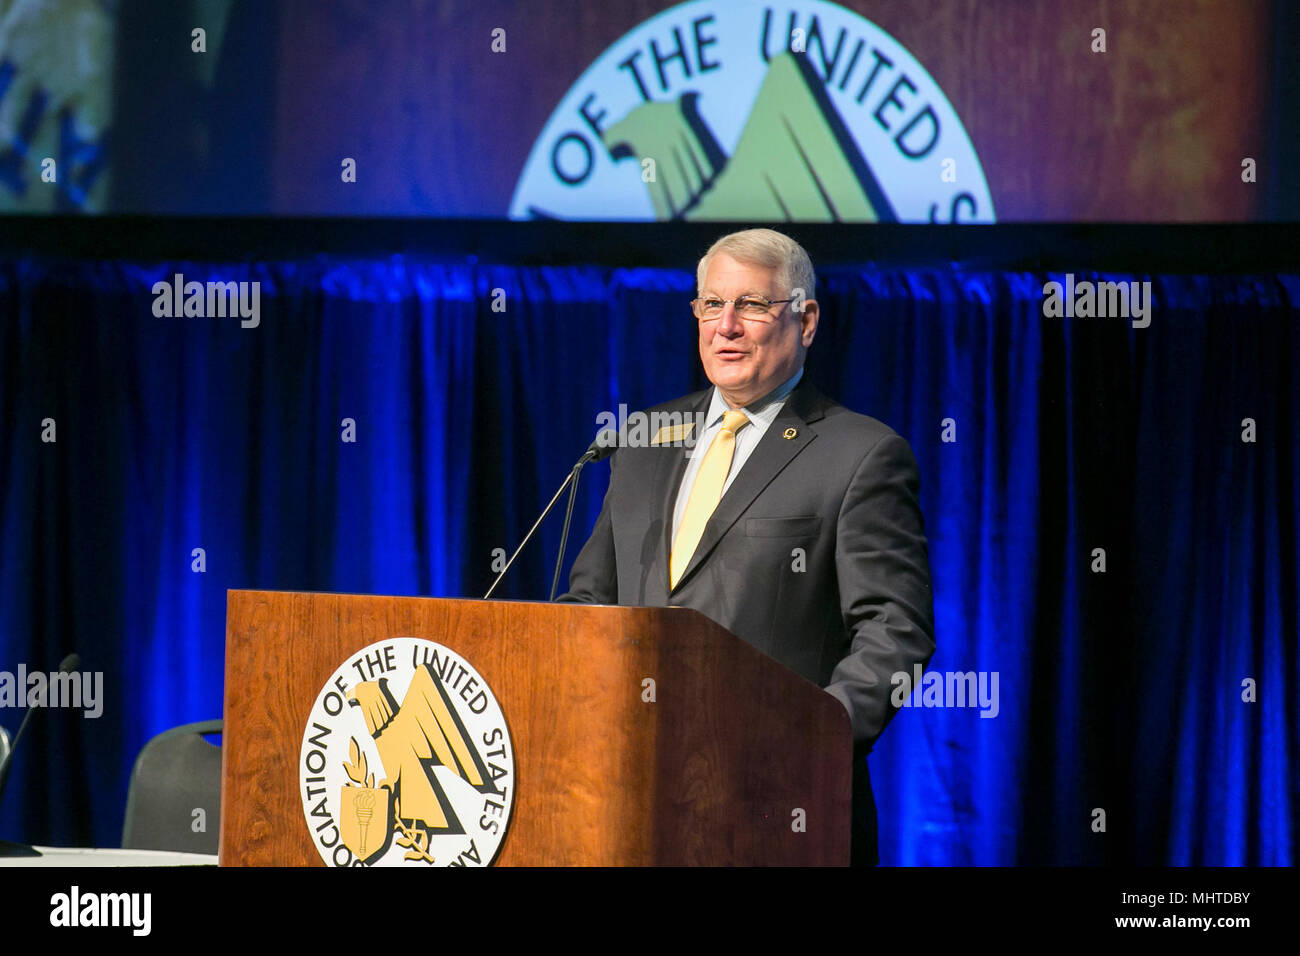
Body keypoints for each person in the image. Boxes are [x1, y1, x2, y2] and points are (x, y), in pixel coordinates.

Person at [558, 228, 935, 865]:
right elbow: (592, 604)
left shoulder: (861, 455)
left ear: (805, 319)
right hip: (627, 800)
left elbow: (895, 632)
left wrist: (811, 739)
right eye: (711, 304)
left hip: (779, 810)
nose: (726, 326)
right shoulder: (643, 442)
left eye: (752, 306)